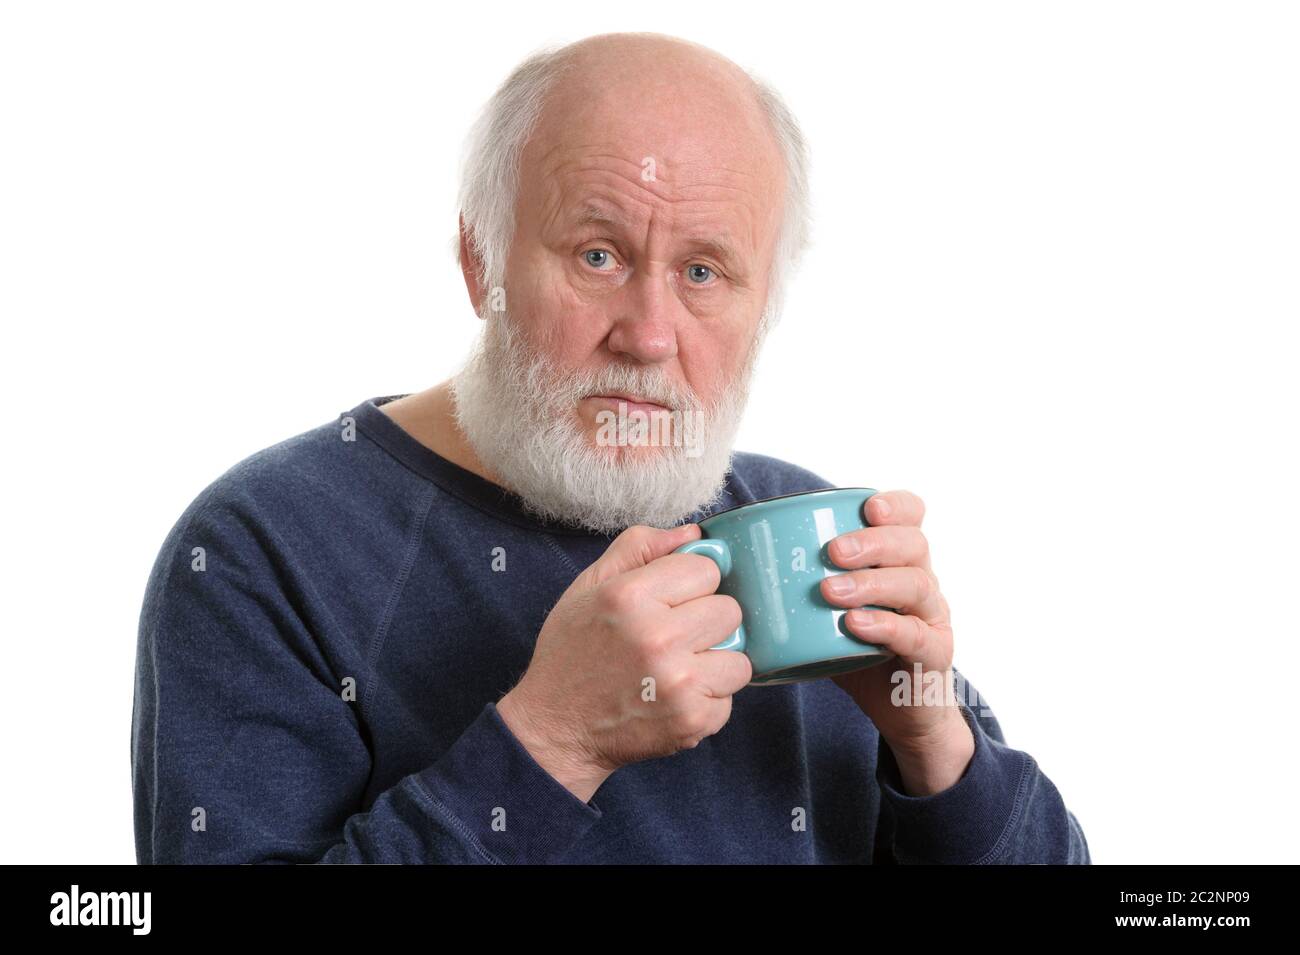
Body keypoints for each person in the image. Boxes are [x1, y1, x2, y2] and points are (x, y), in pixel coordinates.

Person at [131, 31, 1090, 864]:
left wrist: (935, 741)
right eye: (598, 256)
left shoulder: (802, 536)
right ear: (480, 262)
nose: (650, 333)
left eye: (705, 271)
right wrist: (554, 741)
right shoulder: (261, 549)